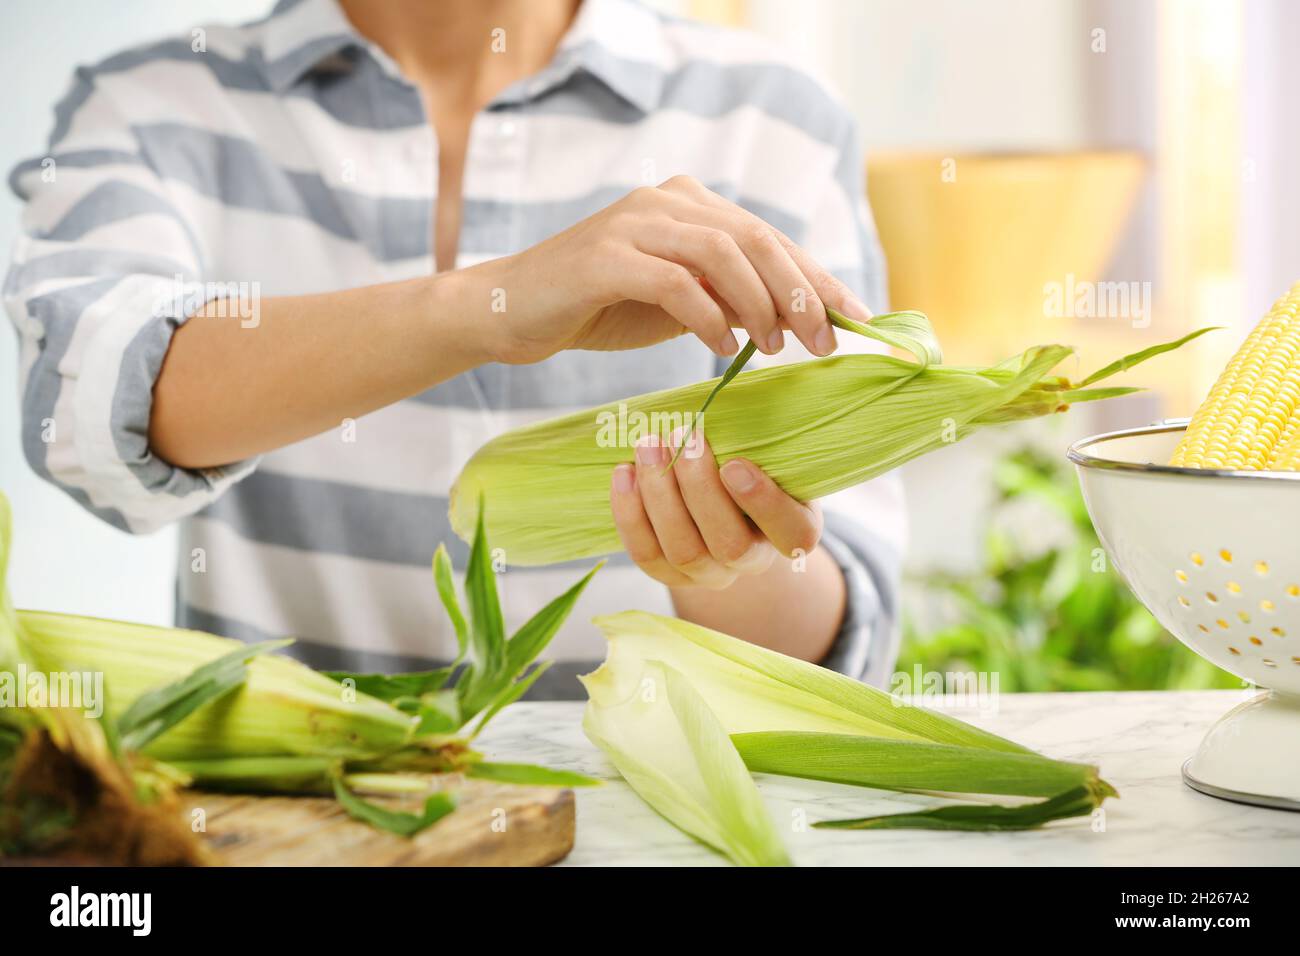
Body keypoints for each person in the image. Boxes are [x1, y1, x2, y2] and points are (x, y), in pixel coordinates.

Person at [5, 0, 904, 696]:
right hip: (288, 835)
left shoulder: (774, 119)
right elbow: (92, 400)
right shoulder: (155, 105)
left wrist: (726, 567)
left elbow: (836, 637)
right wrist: (487, 307)